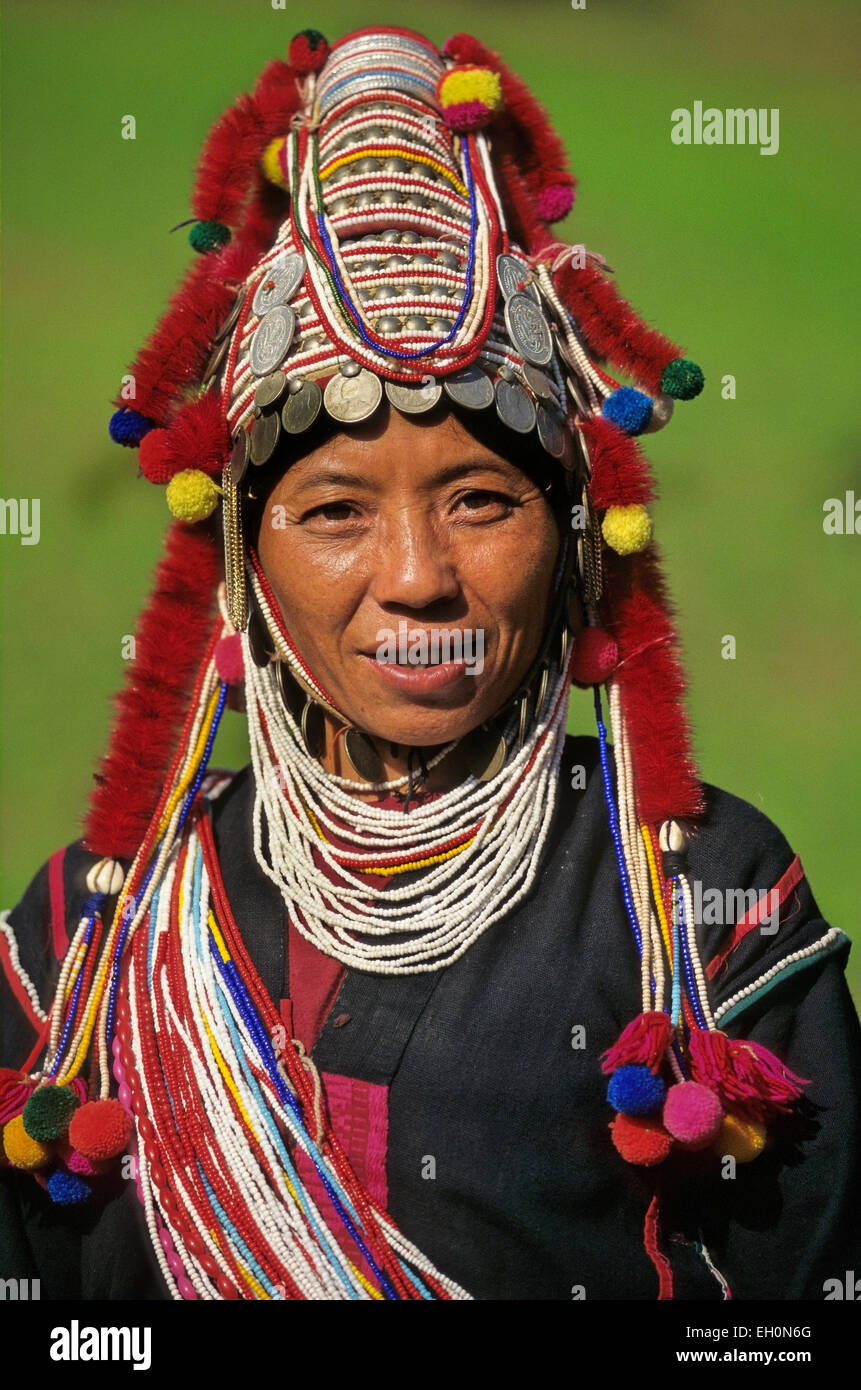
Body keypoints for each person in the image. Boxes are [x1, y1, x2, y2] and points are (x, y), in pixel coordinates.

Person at [1, 24, 859, 1302]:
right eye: (336, 509)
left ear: (574, 541)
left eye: (481, 502)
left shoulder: (702, 911)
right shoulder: (90, 938)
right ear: (243, 555)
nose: (416, 574)